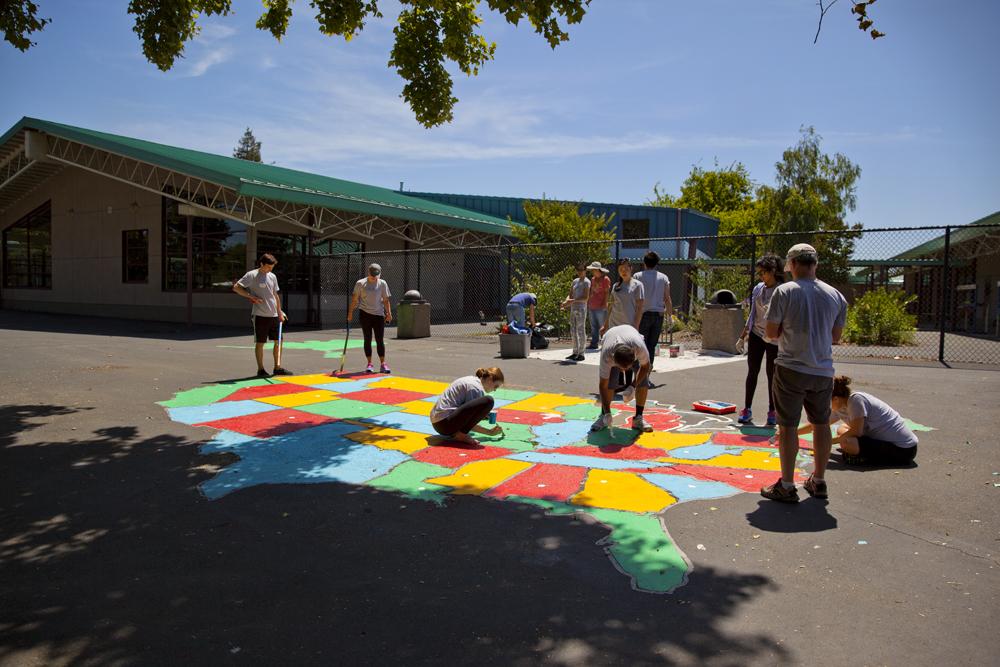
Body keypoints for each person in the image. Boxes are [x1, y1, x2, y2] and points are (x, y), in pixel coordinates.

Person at [760, 243, 848, 503]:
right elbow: (835, 336)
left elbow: (771, 333)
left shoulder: (784, 292)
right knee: (821, 423)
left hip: (791, 366)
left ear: (794, 264)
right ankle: (819, 481)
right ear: (815, 264)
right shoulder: (836, 296)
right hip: (822, 369)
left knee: (787, 426)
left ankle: (787, 485)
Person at [801, 375, 918, 466]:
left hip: (904, 450)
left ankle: (863, 456)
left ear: (835, 398)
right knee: (842, 429)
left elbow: (857, 432)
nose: (825, 404)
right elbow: (816, 424)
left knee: (847, 442)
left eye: (826, 400)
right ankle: (860, 452)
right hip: (885, 441)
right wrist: (790, 434)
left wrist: (828, 443)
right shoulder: (841, 405)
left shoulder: (856, 400)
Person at [737, 254, 785, 426]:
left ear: (773, 271)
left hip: (774, 338)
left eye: (763, 272)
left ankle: (773, 411)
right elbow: (752, 314)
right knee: (752, 371)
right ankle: (747, 409)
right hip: (757, 335)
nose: (760, 276)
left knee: (772, 375)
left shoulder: (782, 290)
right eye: (758, 273)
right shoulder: (758, 288)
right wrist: (743, 335)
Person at [233, 253, 290, 378]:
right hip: (260, 315)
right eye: (268, 267)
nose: (270, 270)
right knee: (260, 342)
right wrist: (251, 296)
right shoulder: (252, 275)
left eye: (272, 267)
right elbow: (236, 288)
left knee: (278, 341)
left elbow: (275, 295)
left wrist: (280, 312)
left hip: (274, 314)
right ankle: (261, 370)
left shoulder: (272, 276)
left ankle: (277, 367)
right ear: (262, 264)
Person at [591, 324, 653, 433]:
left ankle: (638, 418)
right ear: (614, 360)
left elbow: (646, 367)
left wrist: (633, 386)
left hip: (630, 334)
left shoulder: (639, 347)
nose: (623, 371)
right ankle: (604, 416)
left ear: (634, 356)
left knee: (643, 381)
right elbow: (603, 385)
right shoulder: (607, 355)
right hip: (610, 337)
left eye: (626, 368)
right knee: (610, 383)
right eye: (621, 368)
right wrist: (608, 413)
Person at [430, 367, 505, 446]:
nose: (495, 390)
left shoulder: (471, 380)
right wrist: (489, 432)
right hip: (445, 424)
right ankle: (461, 434)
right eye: (496, 386)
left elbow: (464, 412)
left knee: (484, 406)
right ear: (490, 379)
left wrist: (483, 415)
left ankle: (458, 433)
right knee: (489, 401)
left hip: (438, 423)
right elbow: (468, 420)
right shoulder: (476, 388)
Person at [635, 251, 673, 386]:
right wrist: (670, 315)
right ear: (657, 263)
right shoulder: (663, 277)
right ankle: (646, 378)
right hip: (658, 315)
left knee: (638, 346)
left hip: (642, 314)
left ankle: (636, 376)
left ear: (644, 263)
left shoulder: (638, 276)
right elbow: (667, 298)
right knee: (651, 347)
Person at [348, 263, 392, 374]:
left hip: (378, 315)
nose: (374, 277)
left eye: (376, 275)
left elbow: (386, 300)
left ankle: (383, 364)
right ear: (368, 272)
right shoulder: (360, 283)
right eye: (372, 274)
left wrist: (389, 313)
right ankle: (369, 363)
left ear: (380, 273)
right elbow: (354, 299)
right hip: (365, 314)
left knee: (379, 339)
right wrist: (350, 313)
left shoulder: (382, 283)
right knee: (367, 339)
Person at [602, 259, 644, 334]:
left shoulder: (638, 285)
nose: (623, 271)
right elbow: (610, 306)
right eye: (621, 269)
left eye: (626, 268)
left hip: (629, 326)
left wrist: (636, 325)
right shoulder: (615, 285)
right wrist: (605, 325)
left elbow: (639, 308)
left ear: (631, 268)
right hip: (614, 324)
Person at [561, 263, 591, 361]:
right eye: (578, 270)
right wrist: (565, 303)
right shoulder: (575, 281)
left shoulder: (587, 282)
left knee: (580, 330)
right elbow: (570, 295)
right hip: (573, 308)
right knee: (573, 330)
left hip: (581, 308)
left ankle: (581, 353)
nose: (579, 272)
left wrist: (573, 301)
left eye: (582, 270)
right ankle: (575, 352)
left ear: (585, 271)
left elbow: (585, 298)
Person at [586, 261, 611, 350]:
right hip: (592, 305)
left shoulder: (605, 279)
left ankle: (605, 344)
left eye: (593, 269)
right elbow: (591, 291)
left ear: (598, 270)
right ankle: (594, 343)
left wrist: (605, 304)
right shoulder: (593, 279)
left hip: (601, 306)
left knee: (602, 326)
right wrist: (589, 302)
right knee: (593, 326)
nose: (592, 271)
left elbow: (607, 292)